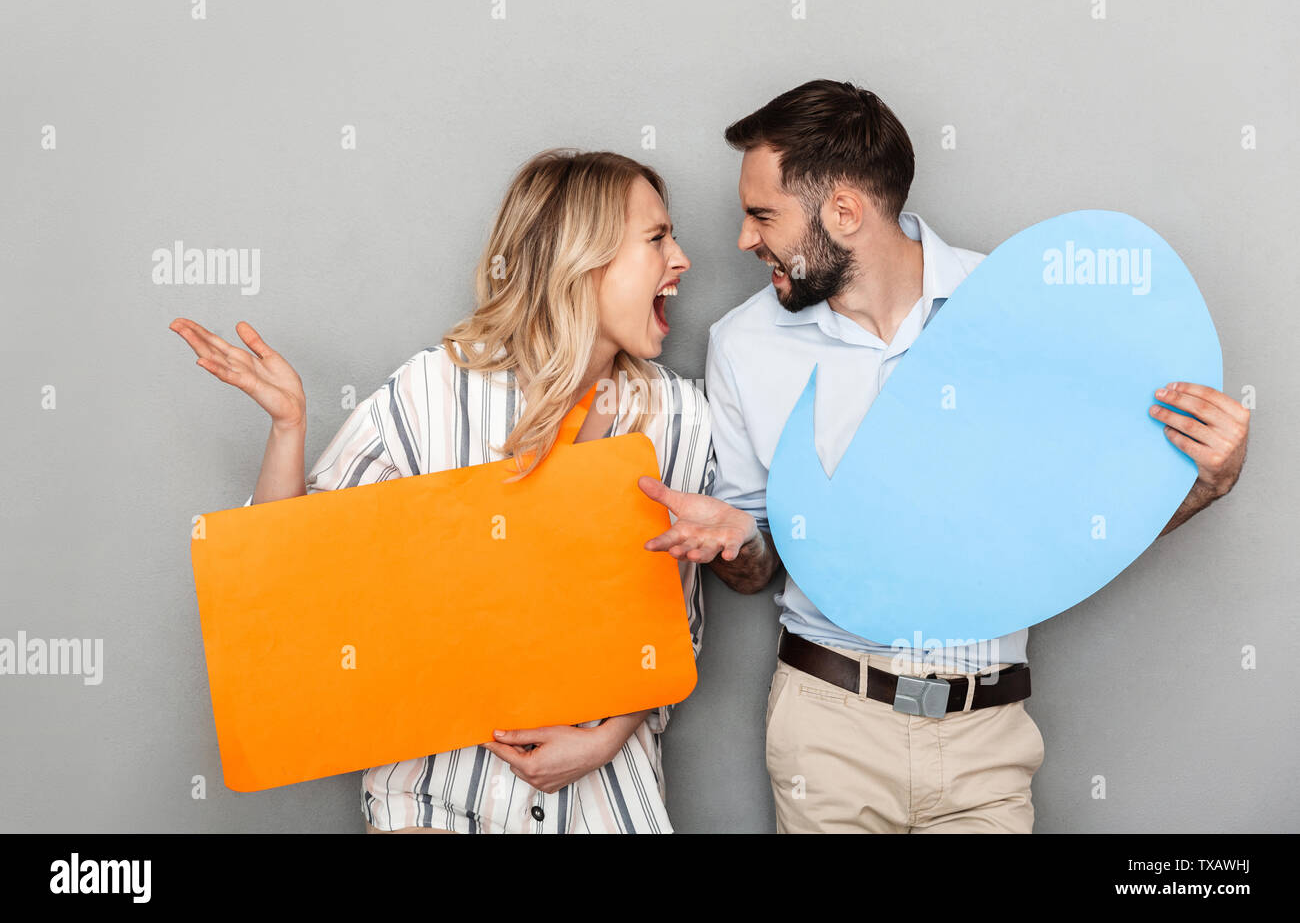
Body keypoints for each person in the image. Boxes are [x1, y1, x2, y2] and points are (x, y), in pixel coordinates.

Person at [639, 79, 1250, 832]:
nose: (742, 238)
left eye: (762, 214)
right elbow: (760, 564)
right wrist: (733, 545)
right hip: (826, 730)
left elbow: (1071, 534)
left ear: (845, 212)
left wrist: (1200, 487)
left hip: (986, 736)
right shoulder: (743, 343)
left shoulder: (1018, 313)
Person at [170, 149, 715, 834]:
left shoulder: (682, 420)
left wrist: (604, 739)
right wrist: (288, 427)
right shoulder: (434, 391)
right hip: (436, 803)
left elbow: (673, 627)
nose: (683, 259)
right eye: (658, 237)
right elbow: (286, 583)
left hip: (608, 804)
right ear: (585, 257)